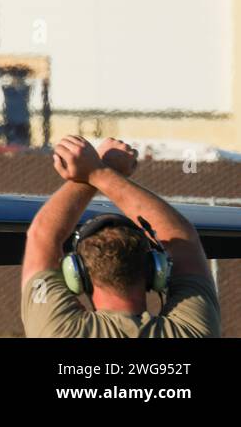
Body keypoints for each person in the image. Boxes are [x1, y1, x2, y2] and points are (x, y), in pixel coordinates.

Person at [20, 134, 221, 337]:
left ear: (78, 275)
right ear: (155, 270)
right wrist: (100, 172)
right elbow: (180, 238)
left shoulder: (58, 332)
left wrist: (98, 169)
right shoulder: (192, 332)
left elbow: (43, 234)